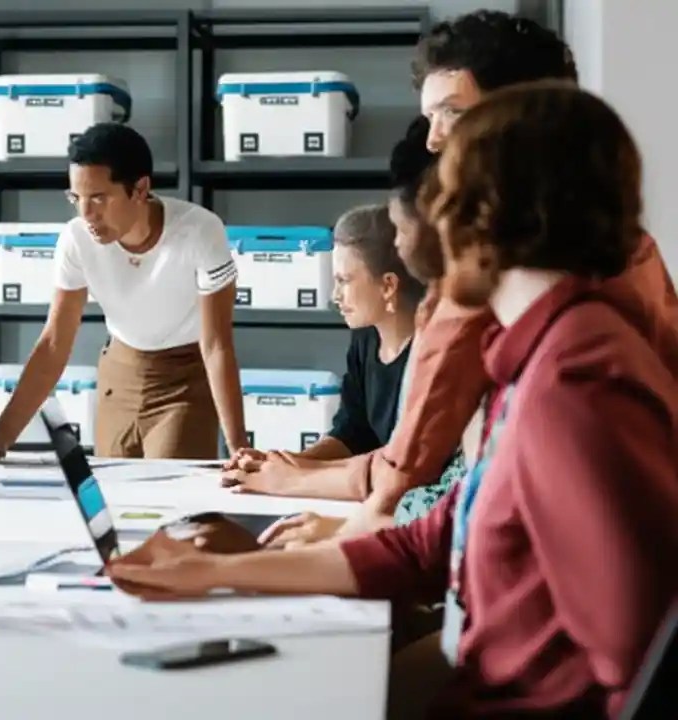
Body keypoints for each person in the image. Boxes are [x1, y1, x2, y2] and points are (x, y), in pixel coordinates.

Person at [109, 83, 678, 718]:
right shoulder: (537, 357)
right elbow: (425, 545)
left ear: (482, 214)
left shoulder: (575, 379)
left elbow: (634, 654)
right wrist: (210, 573)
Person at [239, 8, 678, 549]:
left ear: (524, 119)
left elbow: (414, 458)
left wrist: (347, 524)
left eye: (452, 113)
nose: (433, 141)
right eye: (431, 119)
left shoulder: (535, 288)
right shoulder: (614, 245)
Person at [0, 123, 245, 460]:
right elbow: (54, 343)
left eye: (98, 198)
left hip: (183, 380)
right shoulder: (76, 239)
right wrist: (1, 436)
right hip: (118, 375)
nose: (86, 214)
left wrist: (238, 447)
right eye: (76, 198)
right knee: (114, 498)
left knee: (171, 497)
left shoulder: (200, 231)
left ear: (140, 189)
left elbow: (217, 345)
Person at [224, 203, 423, 499]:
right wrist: (285, 462)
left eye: (343, 280)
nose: (334, 296)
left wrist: (297, 476)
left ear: (388, 286)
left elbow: (401, 466)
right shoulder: (365, 339)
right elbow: (352, 433)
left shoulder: (431, 354)